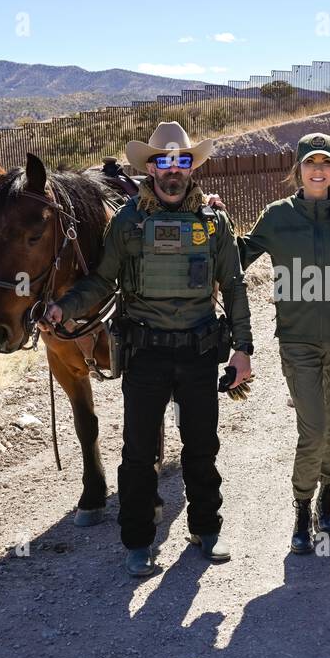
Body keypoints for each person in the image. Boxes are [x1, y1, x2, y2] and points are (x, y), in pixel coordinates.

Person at [39, 121, 253, 577]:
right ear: (151, 168)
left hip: (198, 352)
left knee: (202, 447)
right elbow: (101, 281)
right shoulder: (130, 222)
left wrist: (243, 350)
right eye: (163, 161)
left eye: (182, 160)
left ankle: (206, 529)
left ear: (191, 166)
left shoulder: (214, 223)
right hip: (146, 354)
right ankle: (138, 542)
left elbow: (234, 287)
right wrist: (63, 307)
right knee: (137, 454)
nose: (173, 170)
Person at [239, 133, 330, 554]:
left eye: (327, 163)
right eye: (310, 162)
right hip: (297, 342)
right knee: (312, 429)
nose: (319, 170)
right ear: (297, 169)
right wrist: (212, 221)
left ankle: (327, 499)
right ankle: (301, 508)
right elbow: (235, 257)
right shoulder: (277, 216)